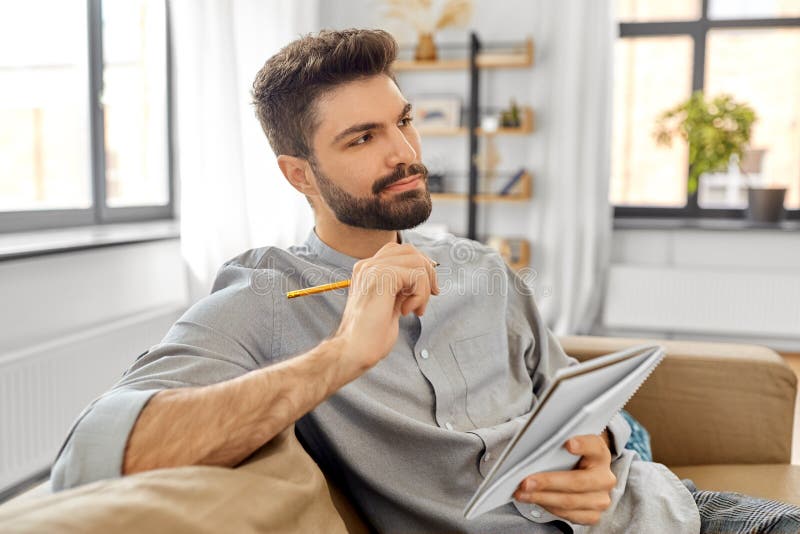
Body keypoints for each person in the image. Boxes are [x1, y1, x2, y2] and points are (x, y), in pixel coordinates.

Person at [43, 29, 800, 534]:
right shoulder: (265, 295)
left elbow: (569, 396)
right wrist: (344, 353)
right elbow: (91, 453)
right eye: (364, 138)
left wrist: (598, 451)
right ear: (297, 174)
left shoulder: (483, 268)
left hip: (666, 511)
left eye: (403, 121)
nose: (405, 151)